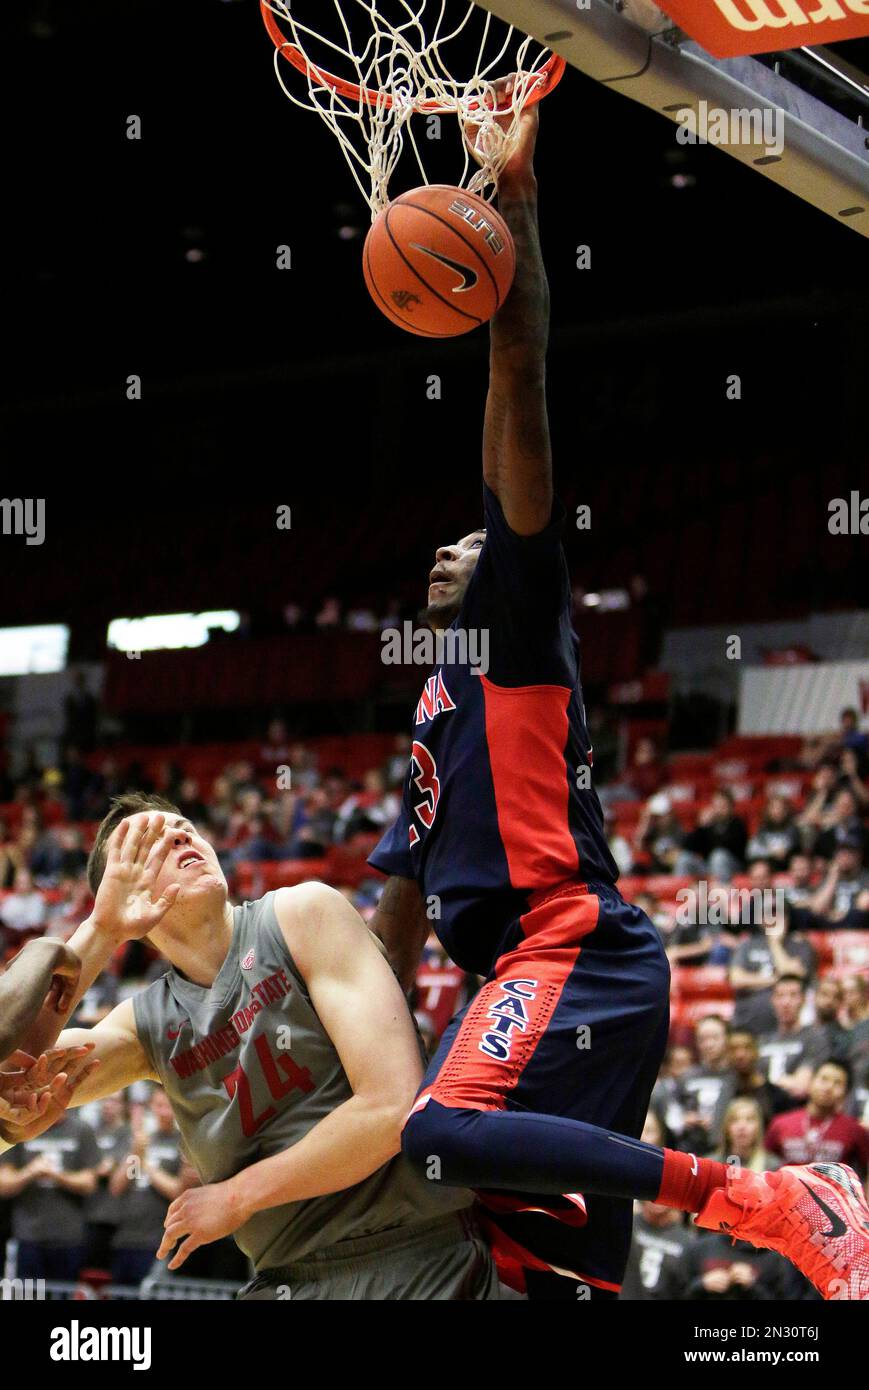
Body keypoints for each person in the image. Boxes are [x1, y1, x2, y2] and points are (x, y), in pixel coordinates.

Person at [365, 94, 869, 1301]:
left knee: (433, 1139)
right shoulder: (436, 701)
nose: (449, 554)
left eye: (469, 540)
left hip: (570, 949)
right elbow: (391, 900)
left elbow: (519, 360)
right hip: (526, 981)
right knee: (531, 1266)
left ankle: (766, 1198)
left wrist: (515, 204)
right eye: (440, 548)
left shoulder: (520, 629)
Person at [0, 801, 497, 1301]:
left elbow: (392, 1107)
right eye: (148, 847)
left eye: (184, 827)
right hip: (287, 1279)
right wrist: (101, 931)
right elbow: (10, 1071)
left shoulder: (302, 914)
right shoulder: (146, 1024)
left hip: (420, 1258)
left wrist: (236, 1196)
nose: (178, 837)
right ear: (120, 894)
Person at [109, 1088, 184, 1287]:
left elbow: (178, 1190)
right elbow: (116, 1187)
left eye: (169, 1106)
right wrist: (135, 1153)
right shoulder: (139, 1140)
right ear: (151, 1108)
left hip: (158, 1239)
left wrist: (147, 1165)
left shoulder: (182, 1142)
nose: (164, 1111)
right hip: (125, 1237)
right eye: (159, 1105)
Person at [765, 1060, 869, 1179]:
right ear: (811, 1082)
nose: (829, 1087)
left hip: (834, 1195)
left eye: (837, 1083)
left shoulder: (854, 1129)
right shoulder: (781, 1123)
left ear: (846, 1093)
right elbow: (763, 1162)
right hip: (787, 1194)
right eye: (824, 1079)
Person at [709, 1029, 795, 1146]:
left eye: (746, 1048)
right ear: (727, 1055)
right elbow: (716, 1137)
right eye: (734, 1049)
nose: (740, 1055)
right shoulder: (724, 1095)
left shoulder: (776, 1096)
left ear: (756, 1052)